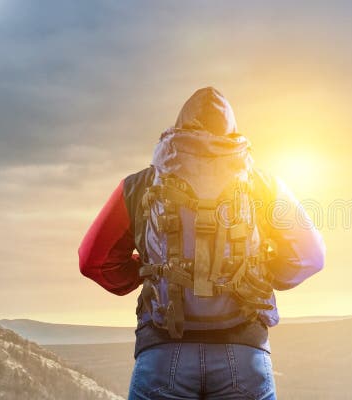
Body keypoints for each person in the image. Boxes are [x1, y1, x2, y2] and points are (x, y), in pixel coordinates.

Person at [78, 87, 325, 400]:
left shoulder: (138, 185)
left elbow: (92, 260)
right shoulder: (265, 186)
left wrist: (147, 271)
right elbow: (311, 256)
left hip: (162, 353)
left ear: (177, 130)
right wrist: (261, 272)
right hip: (245, 353)